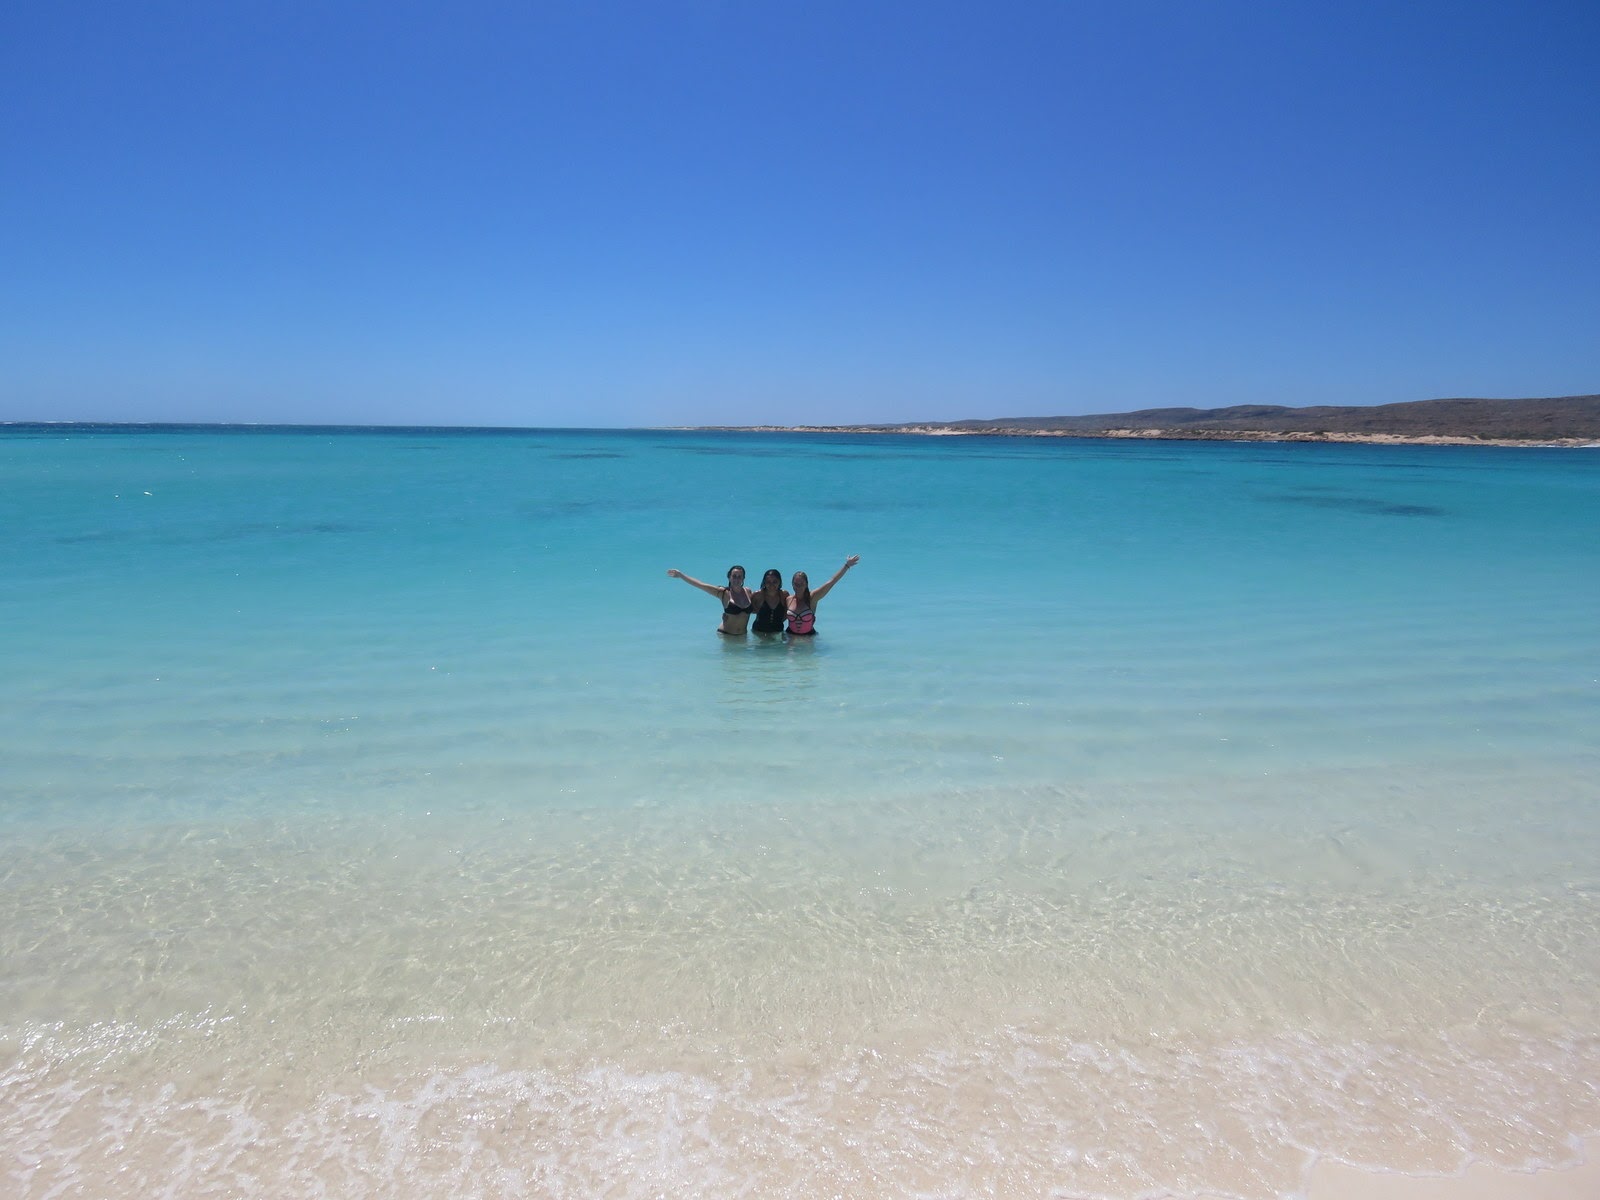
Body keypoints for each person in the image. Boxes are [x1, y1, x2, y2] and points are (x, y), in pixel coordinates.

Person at [666, 565, 755, 635]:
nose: (737, 579)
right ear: (729, 577)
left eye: (739, 576)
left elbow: (756, 608)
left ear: (743, 578)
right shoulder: (723, 593)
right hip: (726, 636)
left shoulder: (748, 591)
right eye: (734, 576)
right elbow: (701, 585)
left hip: (742, 636)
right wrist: (681, 575)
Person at [787, 555, 860, 635]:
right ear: (792, 584)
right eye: (796, 584)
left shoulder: (813, 597)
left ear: (806, 584)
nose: (798, 587)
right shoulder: (788, 600)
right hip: (790, 637)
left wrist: (847, 565)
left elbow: (832, 581)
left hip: (808, 638)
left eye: (801, 584)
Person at [750, 568, 790, 634]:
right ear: (764, 582)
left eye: (775, 582)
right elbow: (746, 609)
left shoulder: (784, 595)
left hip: (778, 632)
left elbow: (787, 613)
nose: (771, 585)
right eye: (768, 582)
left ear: (779, 582)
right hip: (759, 633)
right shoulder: (757, 595)